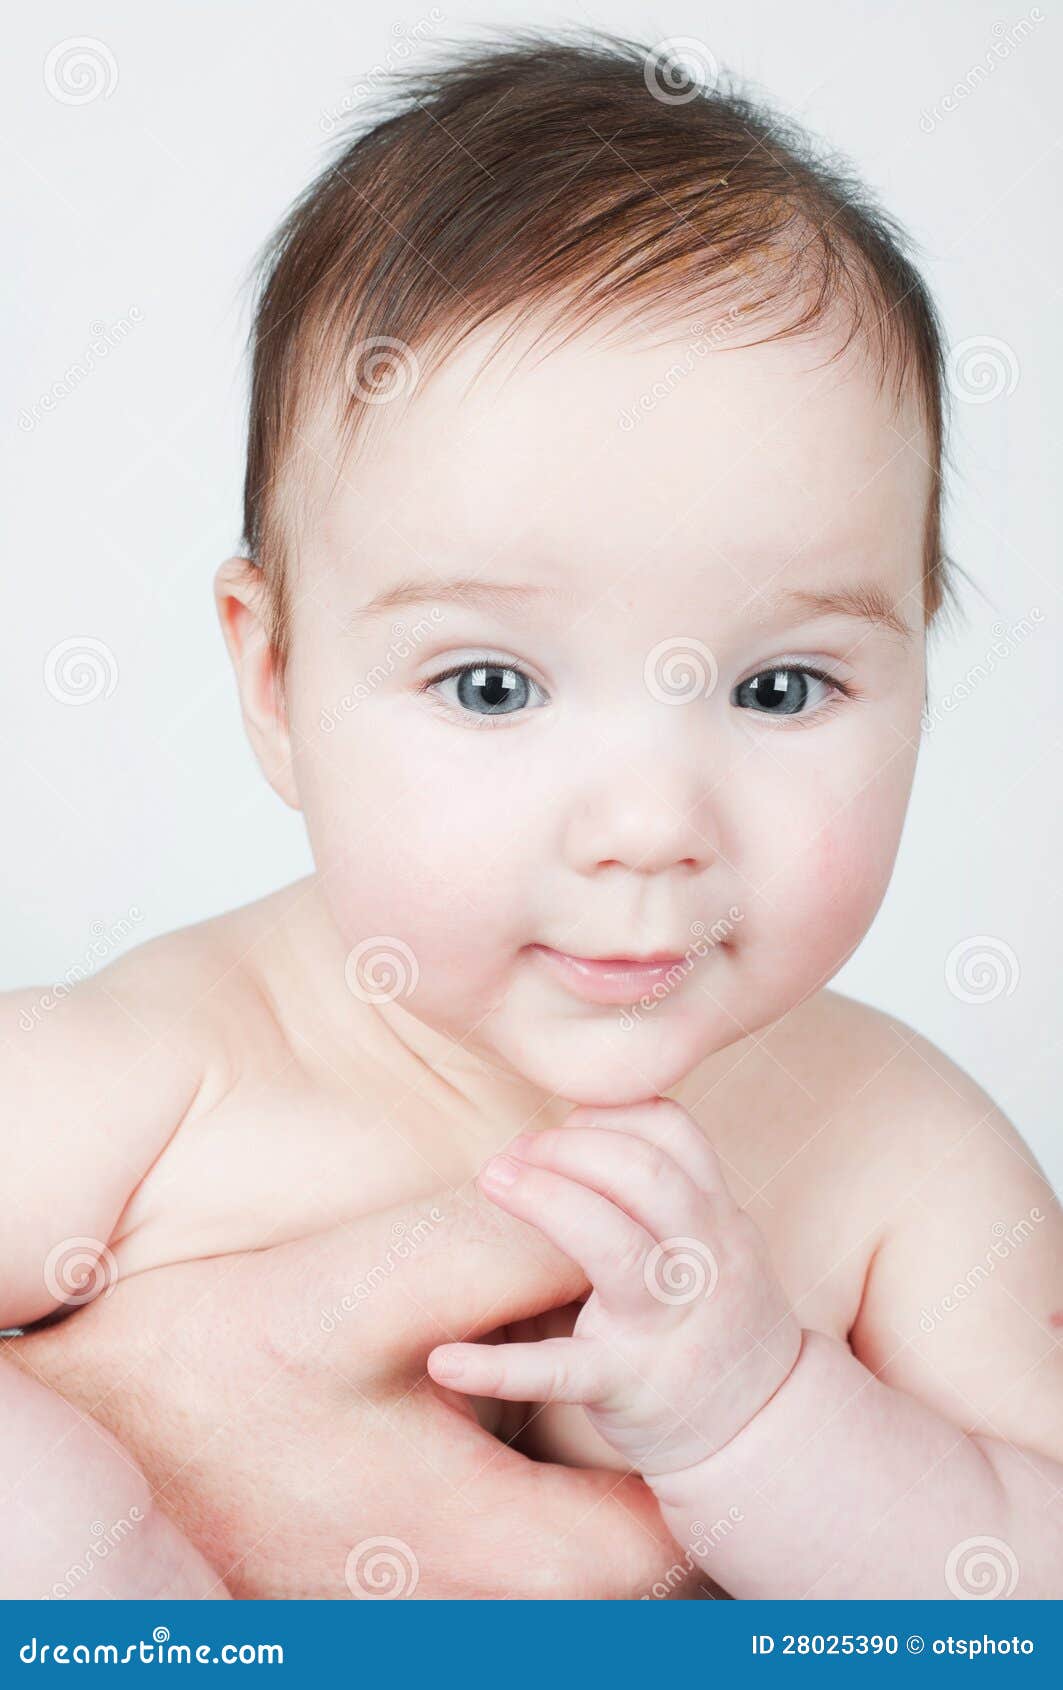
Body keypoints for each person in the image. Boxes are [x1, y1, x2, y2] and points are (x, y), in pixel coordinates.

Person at [4, 27, 1061, 1598]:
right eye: (492, 686)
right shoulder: (139, 1077)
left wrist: (763, 1412)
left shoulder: (904, 1157)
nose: (648, 825)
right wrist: (87, 1534)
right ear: (278, 680)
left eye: (781, 689)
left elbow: (1025, 1587)